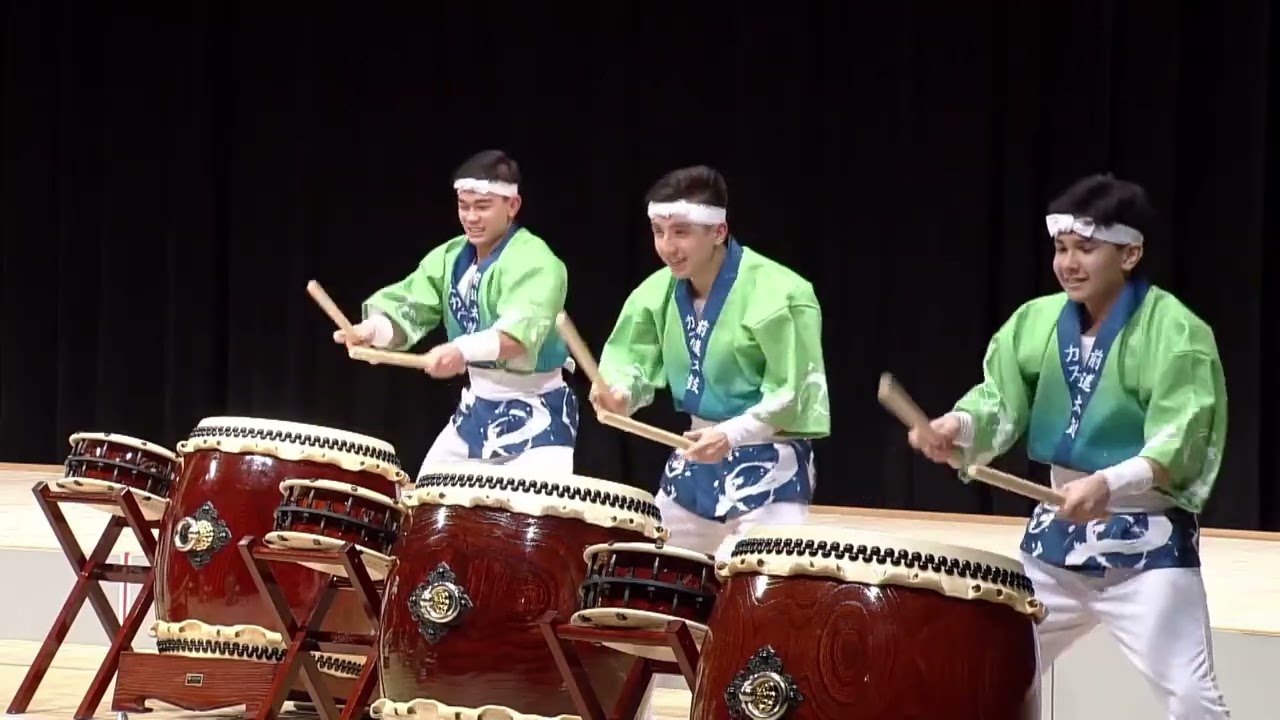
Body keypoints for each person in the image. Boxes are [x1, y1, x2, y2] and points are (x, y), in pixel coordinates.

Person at [908, 173, 1230, 718]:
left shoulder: (1175, 331)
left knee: (1193, 698)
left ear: (1130, 253)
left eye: (1086, 248)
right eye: (1061, 248)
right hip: (1057, 545)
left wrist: (1108, 483)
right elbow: (999, 400)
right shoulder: (1035, 323)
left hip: (1145, 551)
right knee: (991, 672)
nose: (1068, 263)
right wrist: (955, 428)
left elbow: (1182, 437)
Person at [592, 164, 831, 561]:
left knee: (760, 590)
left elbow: (794, 390)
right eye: (658, 232)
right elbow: (631, 362)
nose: (668, 246)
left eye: (681, 232)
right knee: (651, 573)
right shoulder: (655, 294)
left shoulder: (781, 293)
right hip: (695, 458)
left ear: (718, 231)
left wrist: (732, 434)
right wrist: (620, 396)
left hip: (769, 459)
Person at [336, 149, 577, 478]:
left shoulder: (537, 261)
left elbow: (519, 335)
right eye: (464, 206)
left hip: (539, 413)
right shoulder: (450, 257)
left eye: (482, 207)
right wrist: (373, 331)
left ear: (512, 206)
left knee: (526, 520)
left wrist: (461, 351)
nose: (471, 217)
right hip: (474, 413)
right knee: (426, 502)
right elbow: (413, 304)